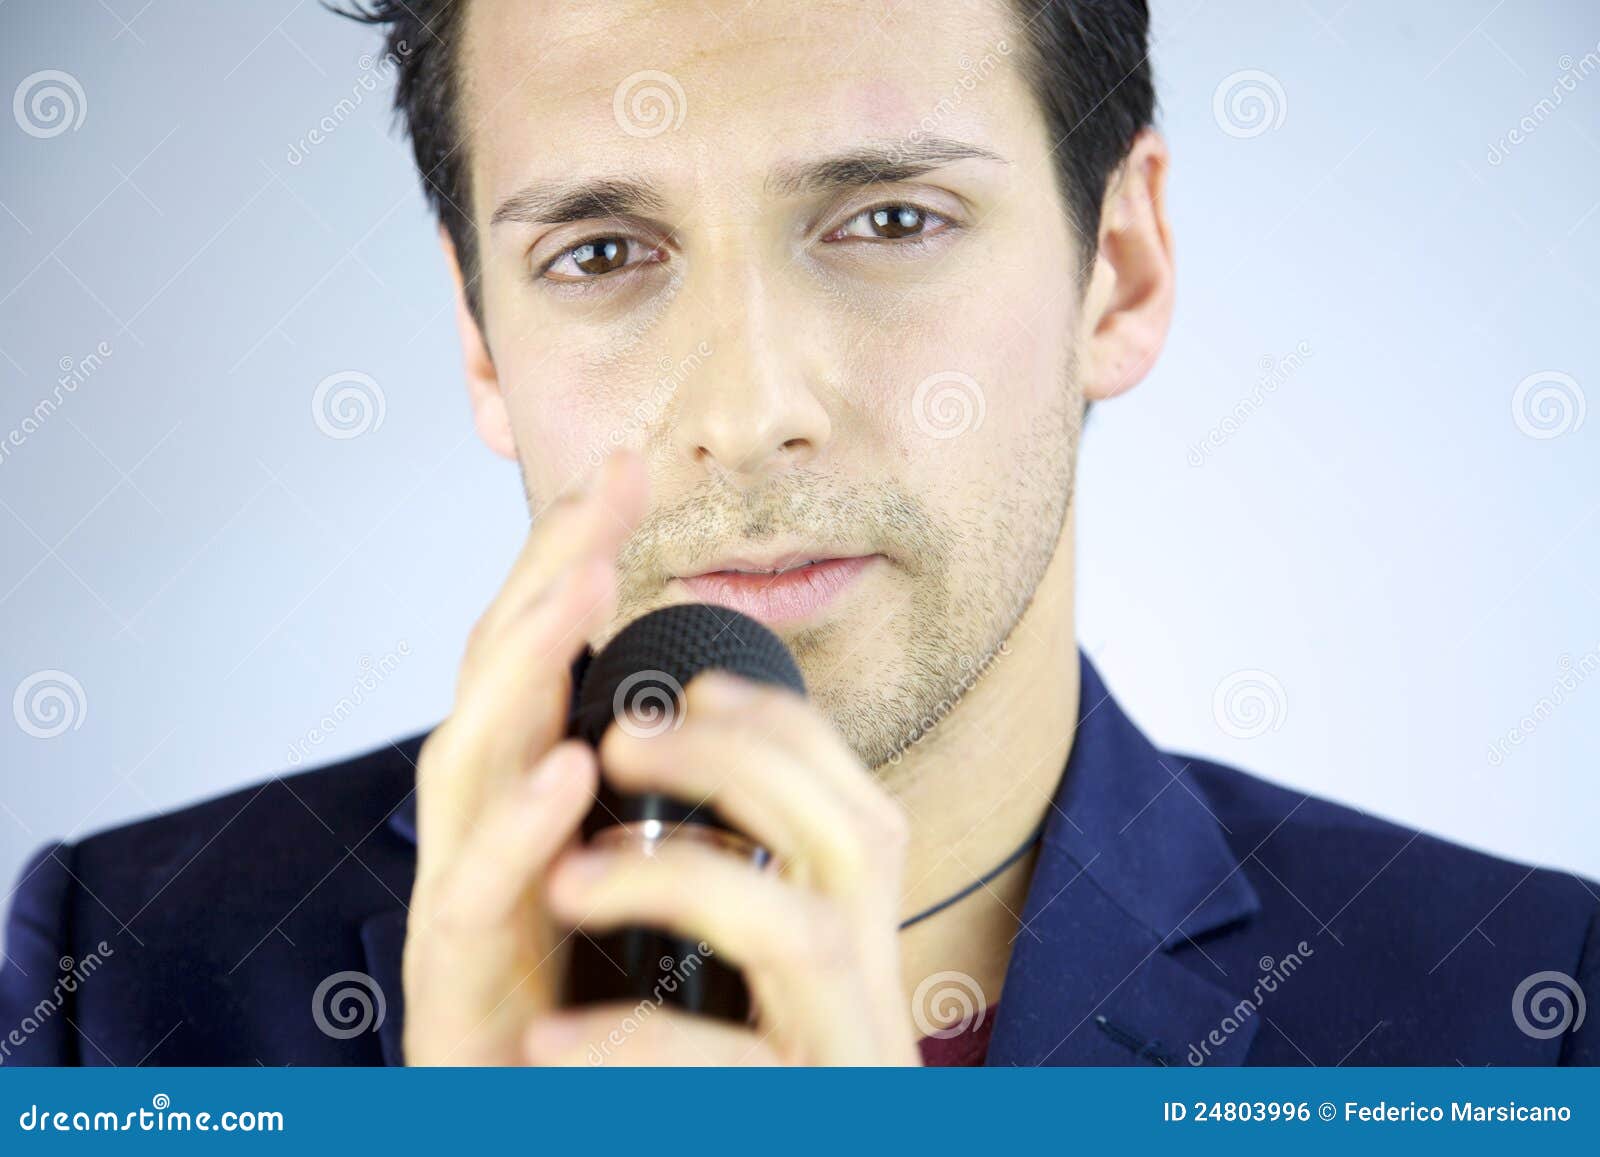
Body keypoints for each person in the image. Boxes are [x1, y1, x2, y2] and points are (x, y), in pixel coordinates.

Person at [2, 0, 1594, 1068]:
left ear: (1120, 264)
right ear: (484, 340)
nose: (748, 405)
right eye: (605, 249)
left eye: (889, 220)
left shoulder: (1530, 1011)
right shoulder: (122, 983)